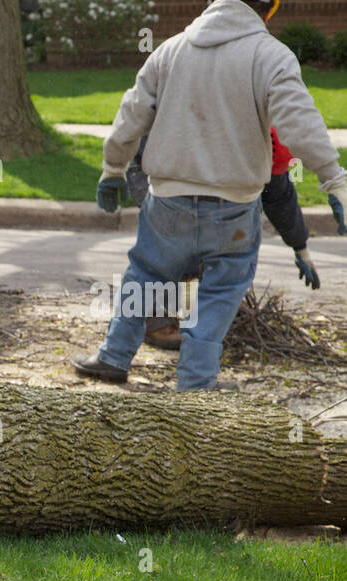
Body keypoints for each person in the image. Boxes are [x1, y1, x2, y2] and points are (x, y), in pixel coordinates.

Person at [72, 0, 347, 390]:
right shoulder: (271, 56)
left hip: (168, 199)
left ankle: (114, 357)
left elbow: (132, 112)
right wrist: (333, 177)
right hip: (233, 205)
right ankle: (196, 381)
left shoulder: (170, 50)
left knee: (146, 275)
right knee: (221, 290)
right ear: (269, 9)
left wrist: (112, 168)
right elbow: (299, 121)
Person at [125, 127, 329, 350]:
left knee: (237, 236)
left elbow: (280, 199)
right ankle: (152, 315)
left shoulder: (266, 147)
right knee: (176, 242)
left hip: (212, 171)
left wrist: (300, 247)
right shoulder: (222, 131)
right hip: (155, 164)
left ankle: (219, 303)